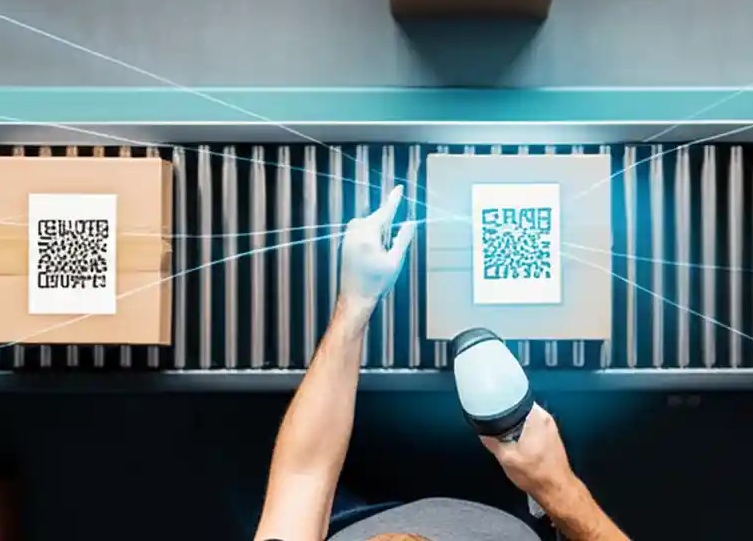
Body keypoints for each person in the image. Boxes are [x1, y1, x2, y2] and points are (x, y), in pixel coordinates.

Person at [253, 186, 627, 541]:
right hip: (513, 516)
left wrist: (356, 303)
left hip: (360, 513)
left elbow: (305, 476)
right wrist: (557, 488)